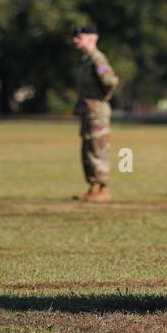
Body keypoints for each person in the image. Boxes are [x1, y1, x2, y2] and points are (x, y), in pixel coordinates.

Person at [71, 25, 119, 202]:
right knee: (88, 148)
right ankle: (93, 188)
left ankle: (103, 189)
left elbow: (109, 79)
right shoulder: (86, 60)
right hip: (87, 111)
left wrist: (105, 95)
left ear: (92, 39)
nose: (75, 40)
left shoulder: (97, 59)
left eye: (79, 36)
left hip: (97, 112)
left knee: (98, 148)